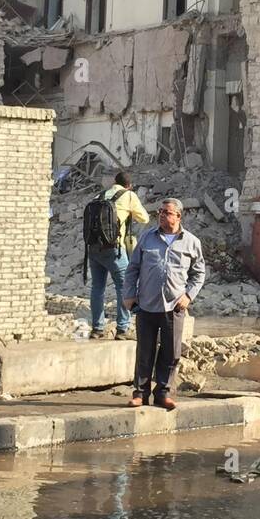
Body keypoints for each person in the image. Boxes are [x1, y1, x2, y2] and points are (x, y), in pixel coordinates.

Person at [122, 198, 205, 410]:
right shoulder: (147, 238)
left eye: (167, 212)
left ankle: (163, 392)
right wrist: (129, 295)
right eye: (160, 211)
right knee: (145, 351)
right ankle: (140, 393)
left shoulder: (191, 242)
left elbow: (199, 273)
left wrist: (189, 296)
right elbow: (132, 268)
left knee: (171, 352)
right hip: (147, 304)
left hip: (174, 307)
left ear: (178, 216)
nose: (162, 215)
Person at [87, 171, 148, 340]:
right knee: (124, 286)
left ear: (115, 182)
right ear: (129, 185)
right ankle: (122, 328)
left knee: (97, 288)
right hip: (114, 249)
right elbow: (144, 218)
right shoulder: (129, 195)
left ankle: (97, 329)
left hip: (93, 248)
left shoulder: (100, 195)